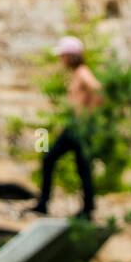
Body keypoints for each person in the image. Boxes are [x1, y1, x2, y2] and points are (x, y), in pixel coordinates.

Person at [32, 35, 102, 220]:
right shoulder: (78, 73)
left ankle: (44, 202)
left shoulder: (82, 72)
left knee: (50, 159)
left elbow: (98, 90)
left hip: (78, 128)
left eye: (63, 55)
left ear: (71, 56)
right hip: (77, 127)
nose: (61, 60)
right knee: (82, 167)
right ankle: (87, 208)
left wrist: (88, 115)